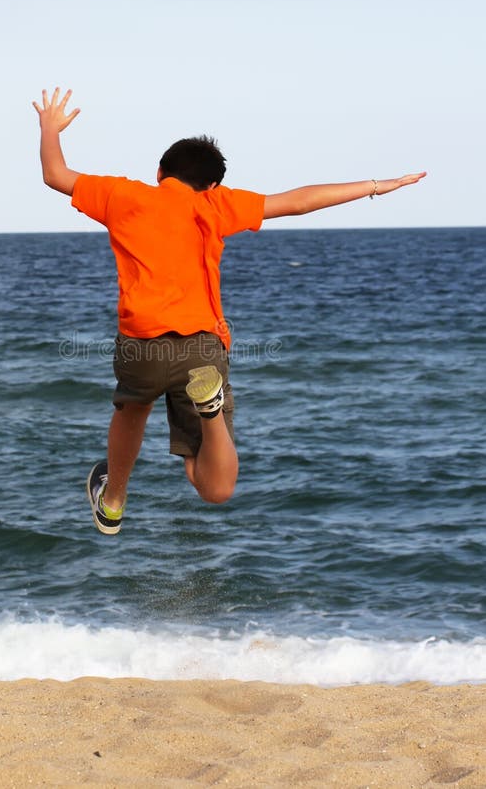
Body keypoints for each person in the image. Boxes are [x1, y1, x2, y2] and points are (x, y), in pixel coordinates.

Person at [33, 87, 426, 535]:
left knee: (132, 409)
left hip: (142, 344)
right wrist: (377, 186)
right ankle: (211, 410)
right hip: (202, 347)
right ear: (212, 185)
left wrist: (50, 128)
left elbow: (55, 174)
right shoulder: (217, 205)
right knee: (213, 487)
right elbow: (299, 201)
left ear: (160, 172)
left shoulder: (122, 195)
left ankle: (114, 500)